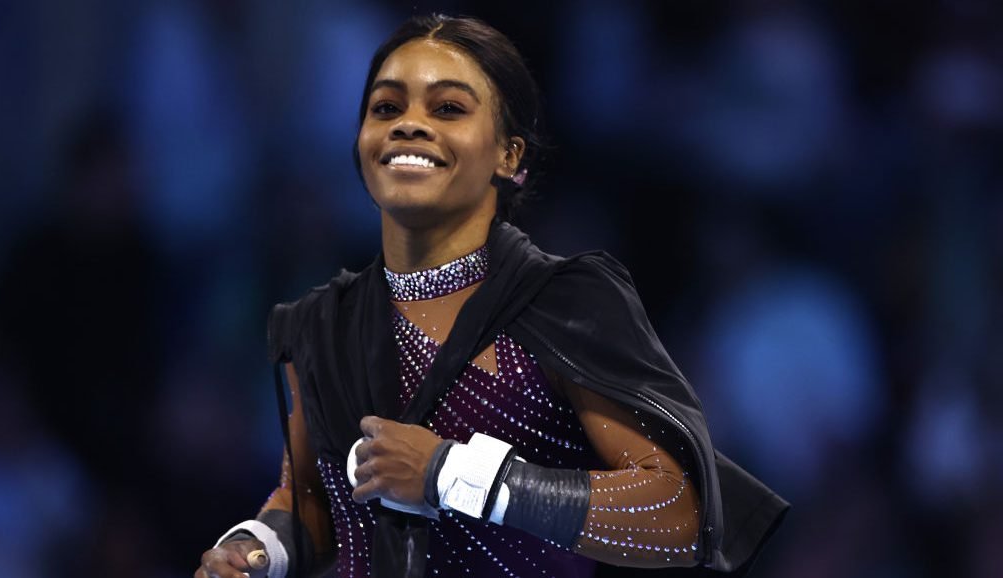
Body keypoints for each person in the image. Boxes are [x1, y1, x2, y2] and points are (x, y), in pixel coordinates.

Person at [195, 14, 787, 578]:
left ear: (511, 156)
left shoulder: (564, 303)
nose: (408, 123)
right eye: (386, 107)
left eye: (448, 107)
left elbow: (680, 513)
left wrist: (451, 475)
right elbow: (313, 504)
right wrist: (257, 550)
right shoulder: (320, 324)